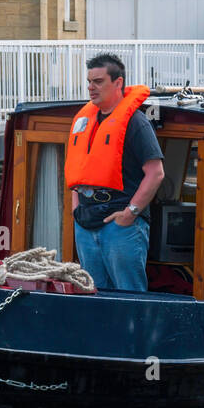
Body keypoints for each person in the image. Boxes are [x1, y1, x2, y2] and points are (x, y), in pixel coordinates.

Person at [64, 53, 164, 292]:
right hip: (86, 222)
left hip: (120, 226)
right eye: (89, 81)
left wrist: (130, 213)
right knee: (93, 293)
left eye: (98, 81)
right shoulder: (84, 121)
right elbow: (77, 172)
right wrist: (76, 207)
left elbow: (156, 173)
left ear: (118, 83)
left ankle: (133, 331)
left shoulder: (136, 123)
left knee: (128, 294)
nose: (91, 87)